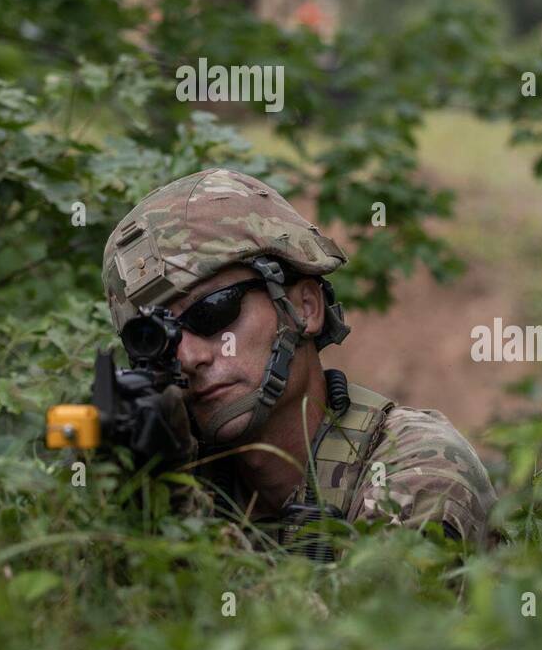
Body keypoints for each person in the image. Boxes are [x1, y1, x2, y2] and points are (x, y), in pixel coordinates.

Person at [102, 167, 499, 558]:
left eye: (213, 312)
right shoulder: (176, 475)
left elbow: (367, 623)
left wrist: (179, 519)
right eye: (155, 338)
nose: (188, 356)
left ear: (304, 308)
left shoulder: (419, 468)